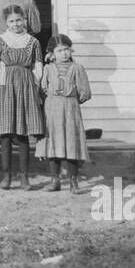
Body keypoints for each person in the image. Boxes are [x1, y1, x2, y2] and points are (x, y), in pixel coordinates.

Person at [0, 6, 45, 190]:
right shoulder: (0, 40)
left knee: (22, 134)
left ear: (24, 20)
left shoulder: (33, 41)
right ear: (6, 23)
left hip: (26, 83)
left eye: (19, 20)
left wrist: (34, 85)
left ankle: (24, 177)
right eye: (11, 21)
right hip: (6, 84)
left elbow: (38, 65)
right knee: (5, 134)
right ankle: (6, 177)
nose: (16, 24)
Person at [38, 35, 92, 193]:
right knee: (53, 144)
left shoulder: (77, 68)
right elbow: (42, 89)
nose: (64, 53)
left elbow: (85, 92)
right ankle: (55, 180)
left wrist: (71, 100)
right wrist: (53, 98)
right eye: (60, 50)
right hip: (52, 109)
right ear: (52, 53)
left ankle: (74, 182)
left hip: (70, 109)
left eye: (67, 49)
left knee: (71, 144)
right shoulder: (48, 69)